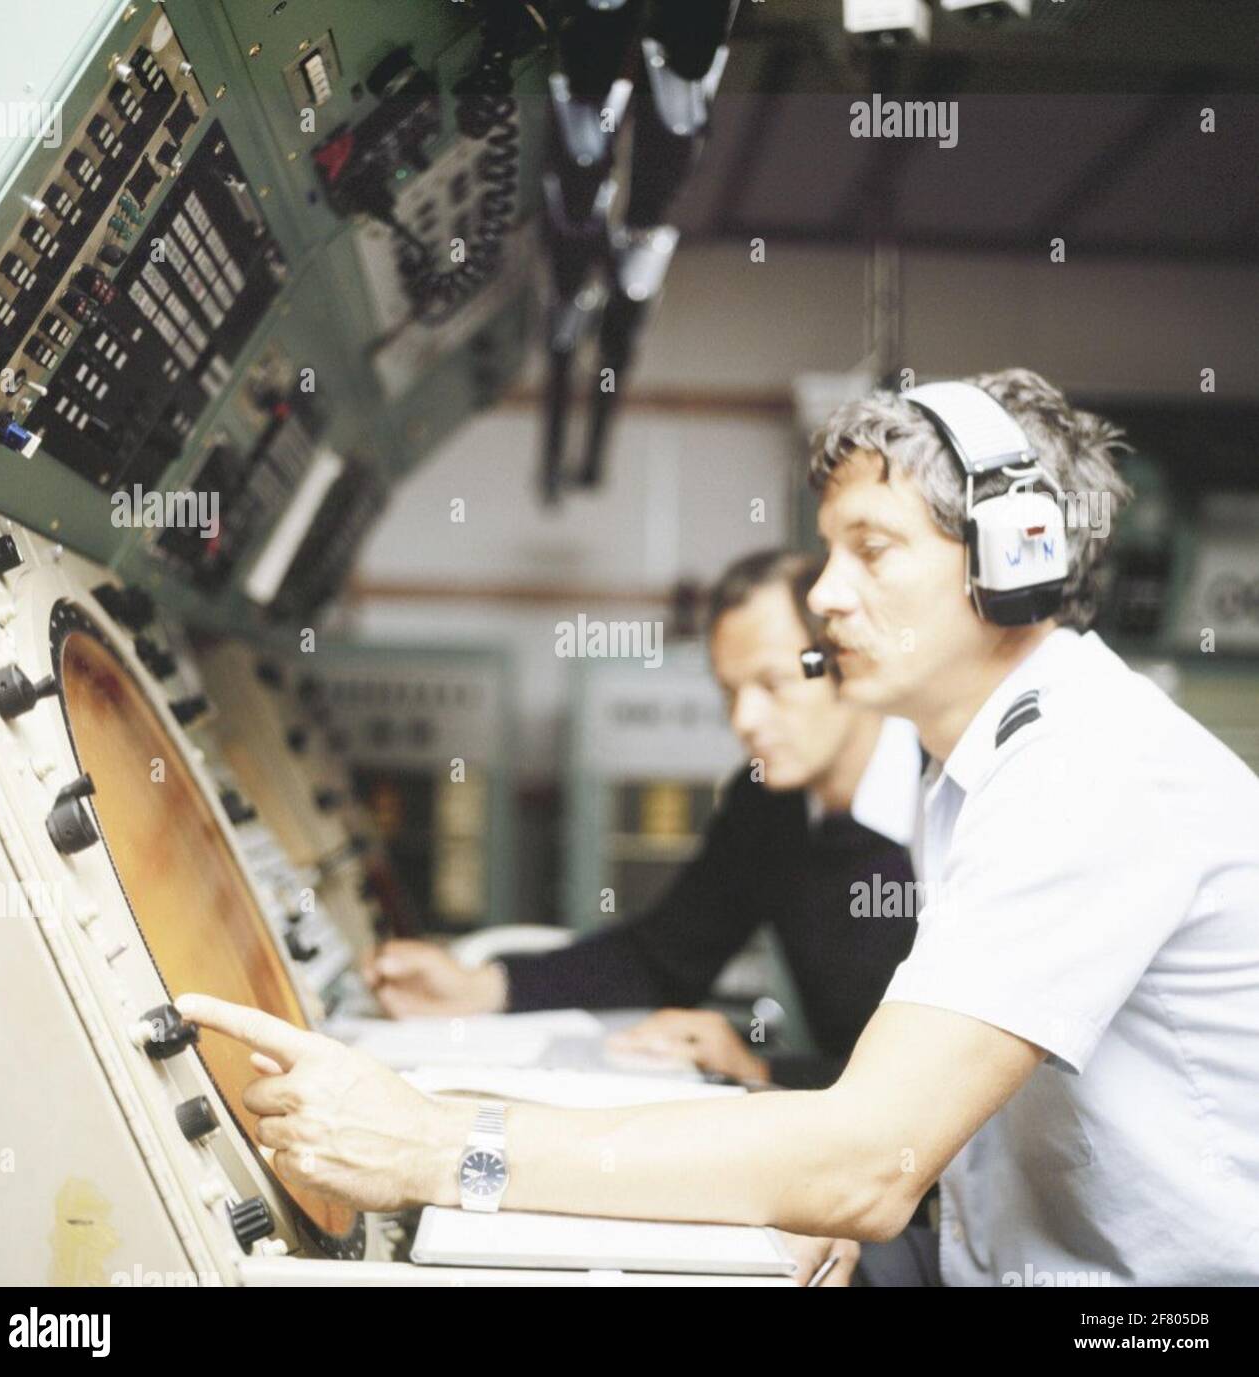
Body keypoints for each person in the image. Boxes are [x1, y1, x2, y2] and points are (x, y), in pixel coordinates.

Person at [180, 367, 1259, 1286]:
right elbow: (895, 1146)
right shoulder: (975, 766)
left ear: (1016, 556)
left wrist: (437, 1148)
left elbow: (868, 1162)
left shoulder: (1085, 769)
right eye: (827, 550)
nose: (827, 597)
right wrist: (828, 1168)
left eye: (871, 549)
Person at [361, 548, 922, 1095]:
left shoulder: (943, 801)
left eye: (772, 684)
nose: (744, 721)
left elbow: (936, 1082)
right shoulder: (769, 808)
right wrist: (479, 987)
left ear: (844, 658)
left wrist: (763, 1072)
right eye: (729, 692)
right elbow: (661, 955)